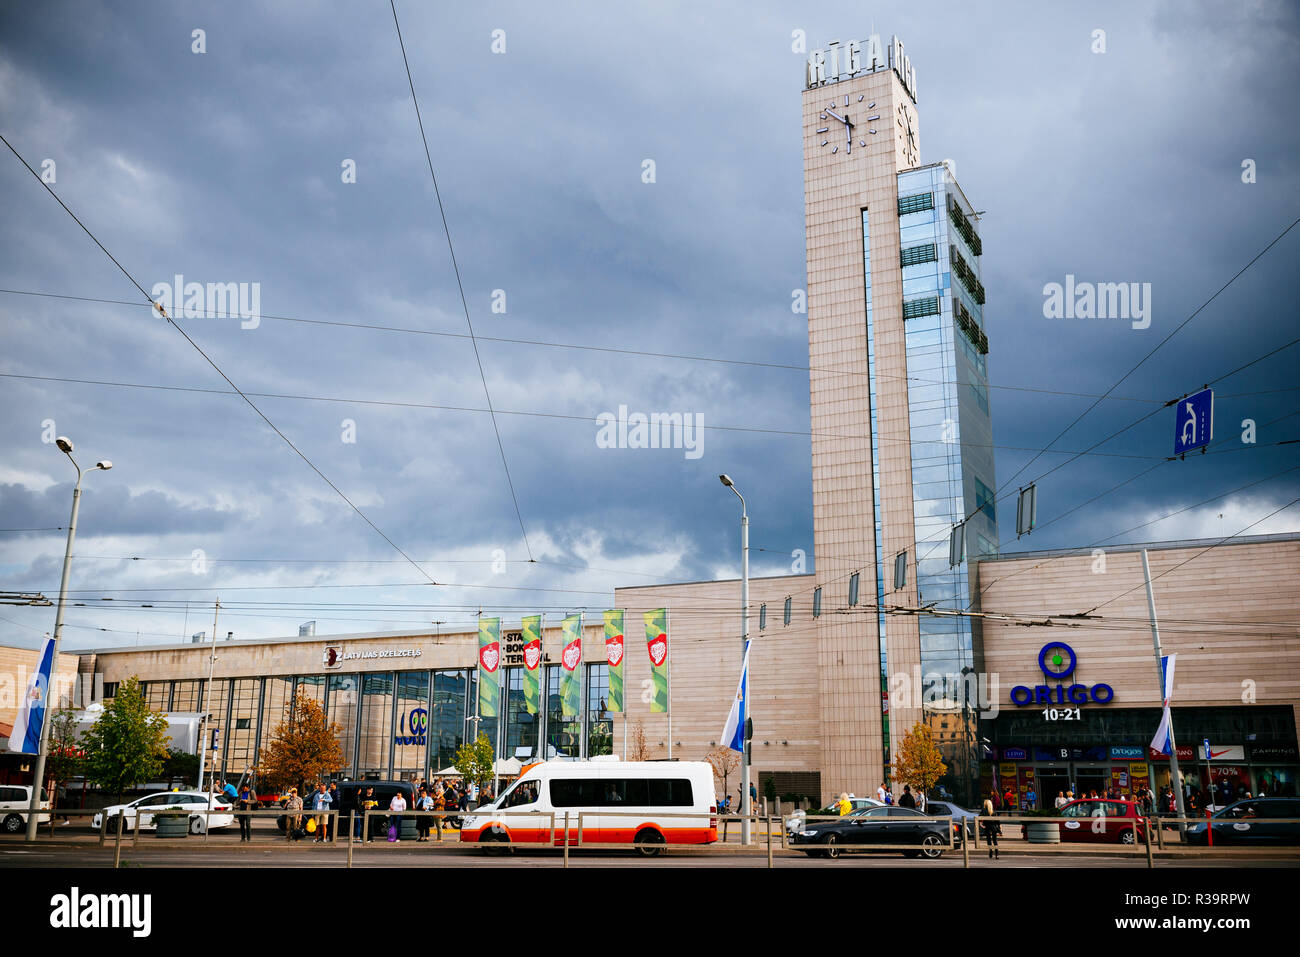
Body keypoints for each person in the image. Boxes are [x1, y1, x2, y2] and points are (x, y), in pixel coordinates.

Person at [981, 793, 1000, 859]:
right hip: (993, 827)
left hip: (987, 827)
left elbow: (979, 818)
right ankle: (997, 853)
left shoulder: (983, 810)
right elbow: (997, 821)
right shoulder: (993, 811)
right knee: (995, 840)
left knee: (989, 840)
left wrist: (981, 825)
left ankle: (990, 851)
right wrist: (999, 828)